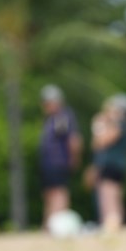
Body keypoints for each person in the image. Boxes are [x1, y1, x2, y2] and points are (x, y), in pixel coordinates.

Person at [38, 84, 82, 229]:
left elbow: (74, 140)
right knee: (49, 193)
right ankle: (48, 225)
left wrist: (74, 159)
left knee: (59, 192)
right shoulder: (51, 119)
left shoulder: (62, 117)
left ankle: (58, 225)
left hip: (59, 162)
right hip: (49, 164)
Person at [89, 94, 126, 234]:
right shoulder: (125, 126)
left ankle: (112, 225)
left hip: (112, 166)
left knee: (109, 197)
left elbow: (100, 142)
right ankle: (114, 224)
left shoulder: (120, 126)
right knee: (114, 196)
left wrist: (98, 127)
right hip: (117, 166)